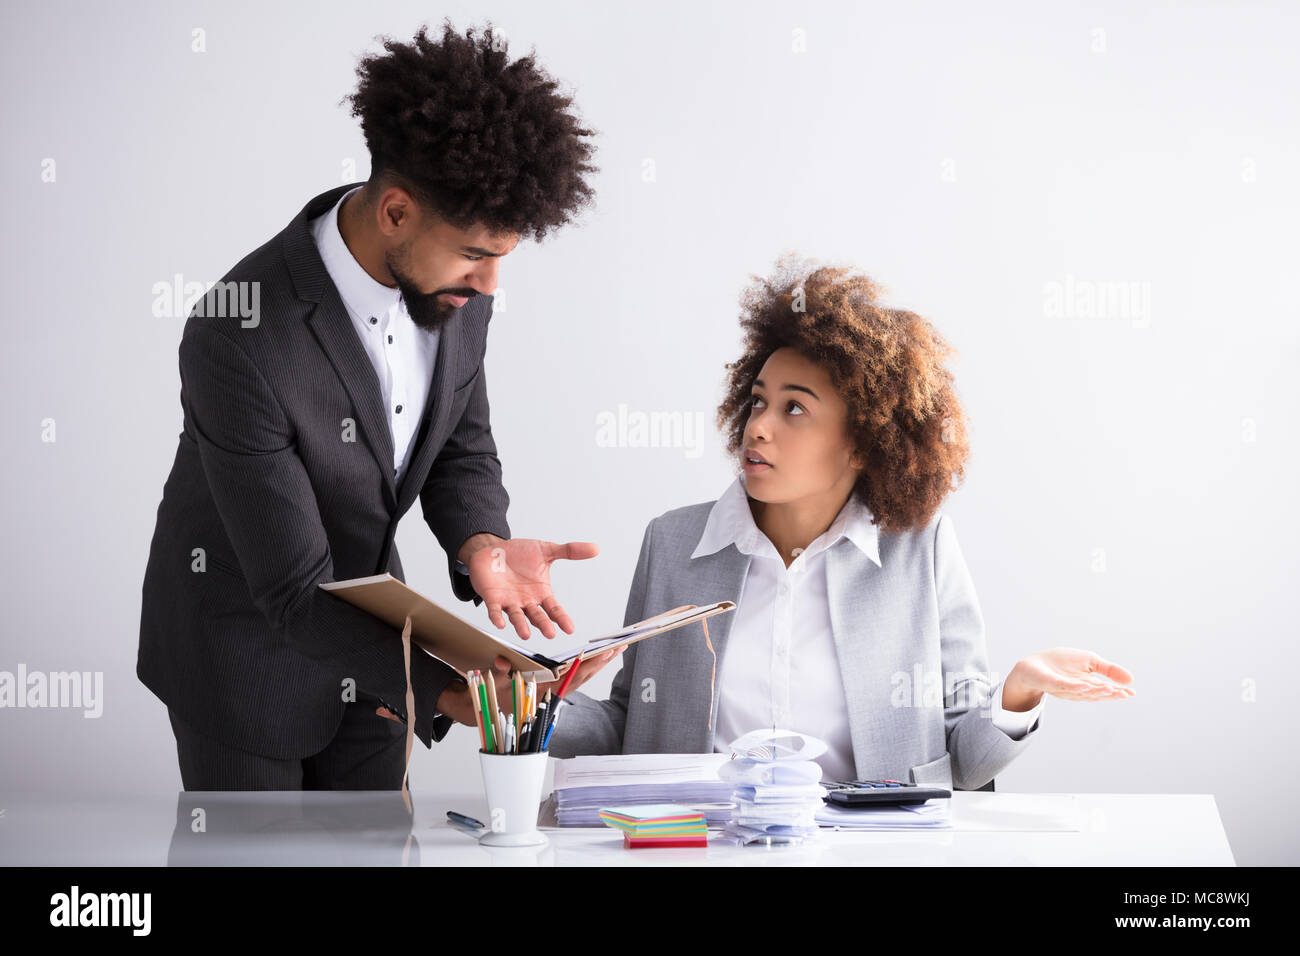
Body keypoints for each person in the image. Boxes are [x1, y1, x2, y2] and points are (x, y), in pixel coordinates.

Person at [138, 20, 618, 791]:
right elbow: (294, 591)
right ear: (395, 212)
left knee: (375, 850)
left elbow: (461, 443)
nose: (492, 285)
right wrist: (457, 694)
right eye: (477, 255)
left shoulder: (458, 289)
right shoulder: (238, 334)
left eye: (503, 256)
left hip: (378, 655)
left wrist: (479, 544)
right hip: (243, 657)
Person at [548, 255, 1136, 790]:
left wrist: (1020, 688)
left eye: (794, 408)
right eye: (757, 400)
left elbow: (966, 761)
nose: (758, 426)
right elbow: (636, 724)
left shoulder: (921, 550)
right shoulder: (674, 542)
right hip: (701, 847)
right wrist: (529, 706)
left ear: (863, 443)